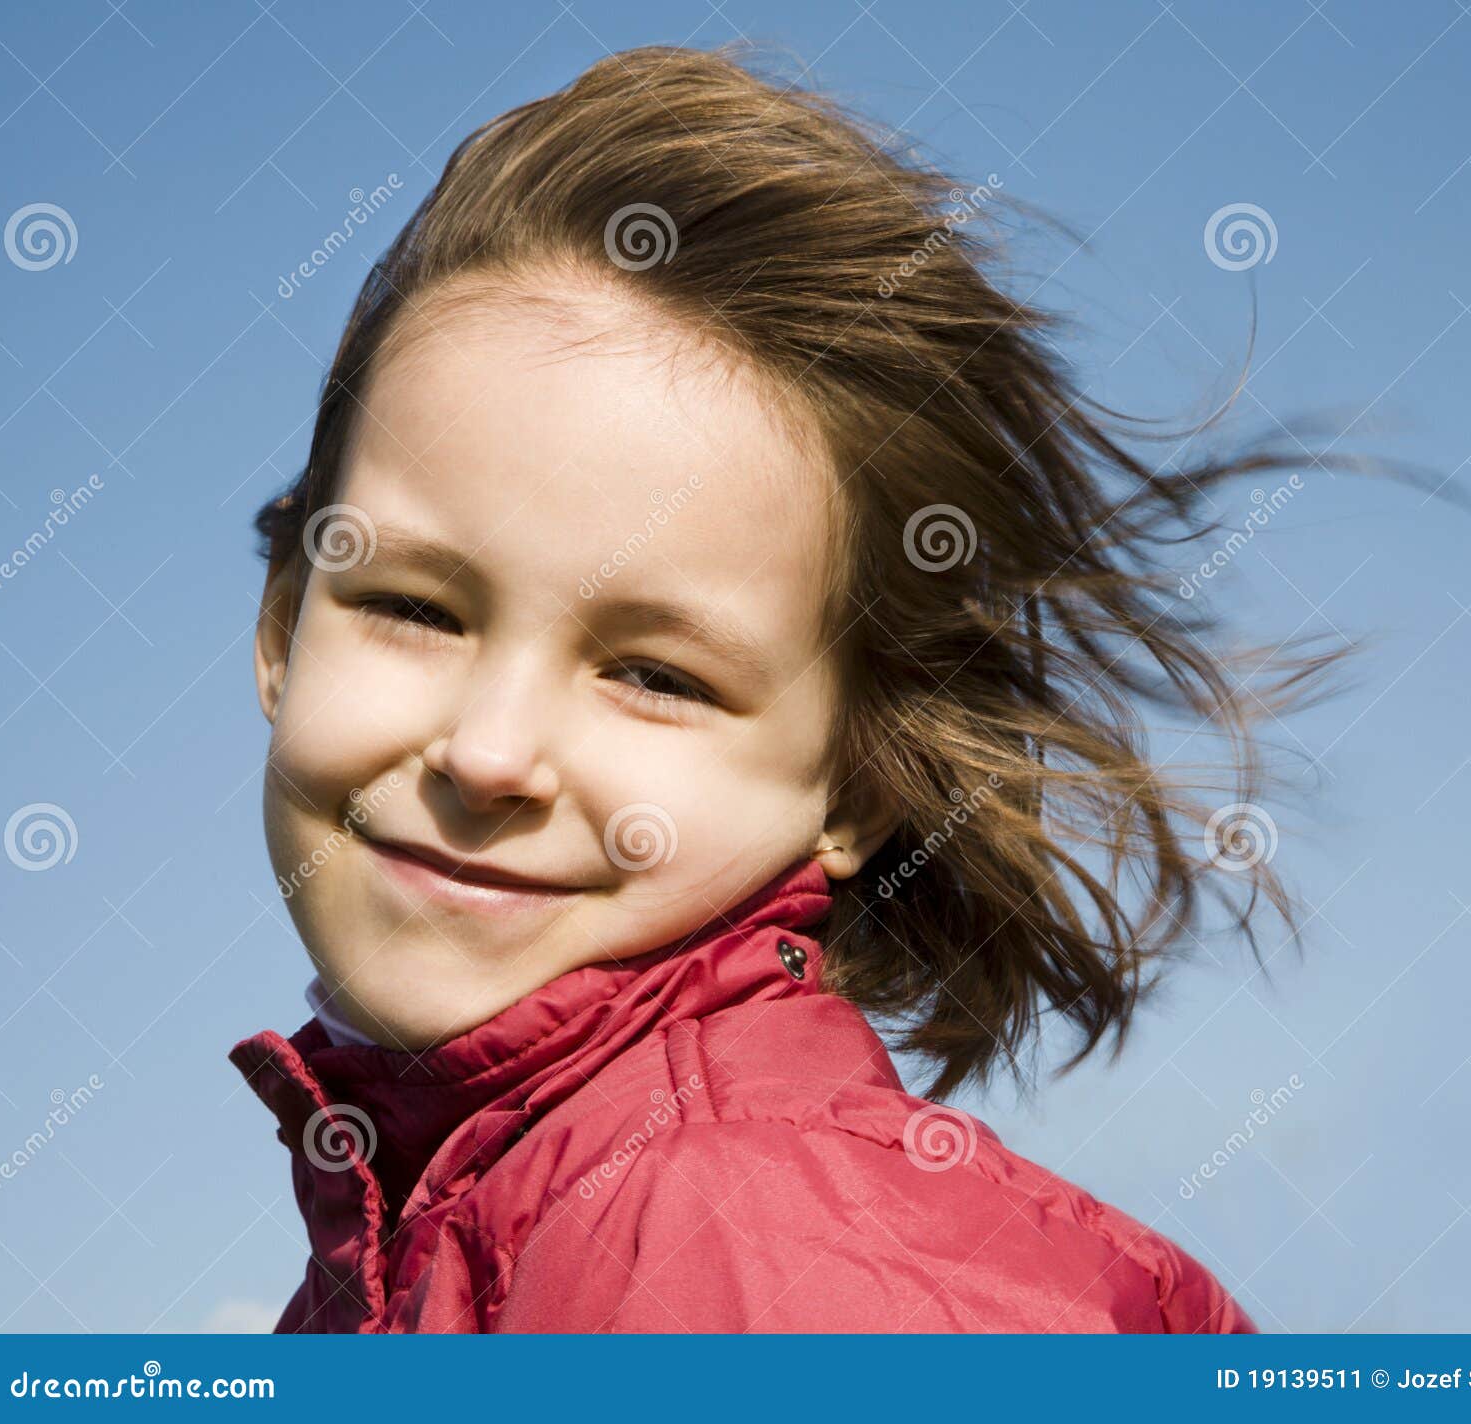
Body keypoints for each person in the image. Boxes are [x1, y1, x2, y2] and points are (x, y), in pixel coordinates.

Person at [231, 42, 1310, 1333]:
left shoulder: (746, 1254)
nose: (489, 751)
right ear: (286, 622)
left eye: (653, 674)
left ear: (856, 779)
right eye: (413, 607)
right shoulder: (434, 1235)